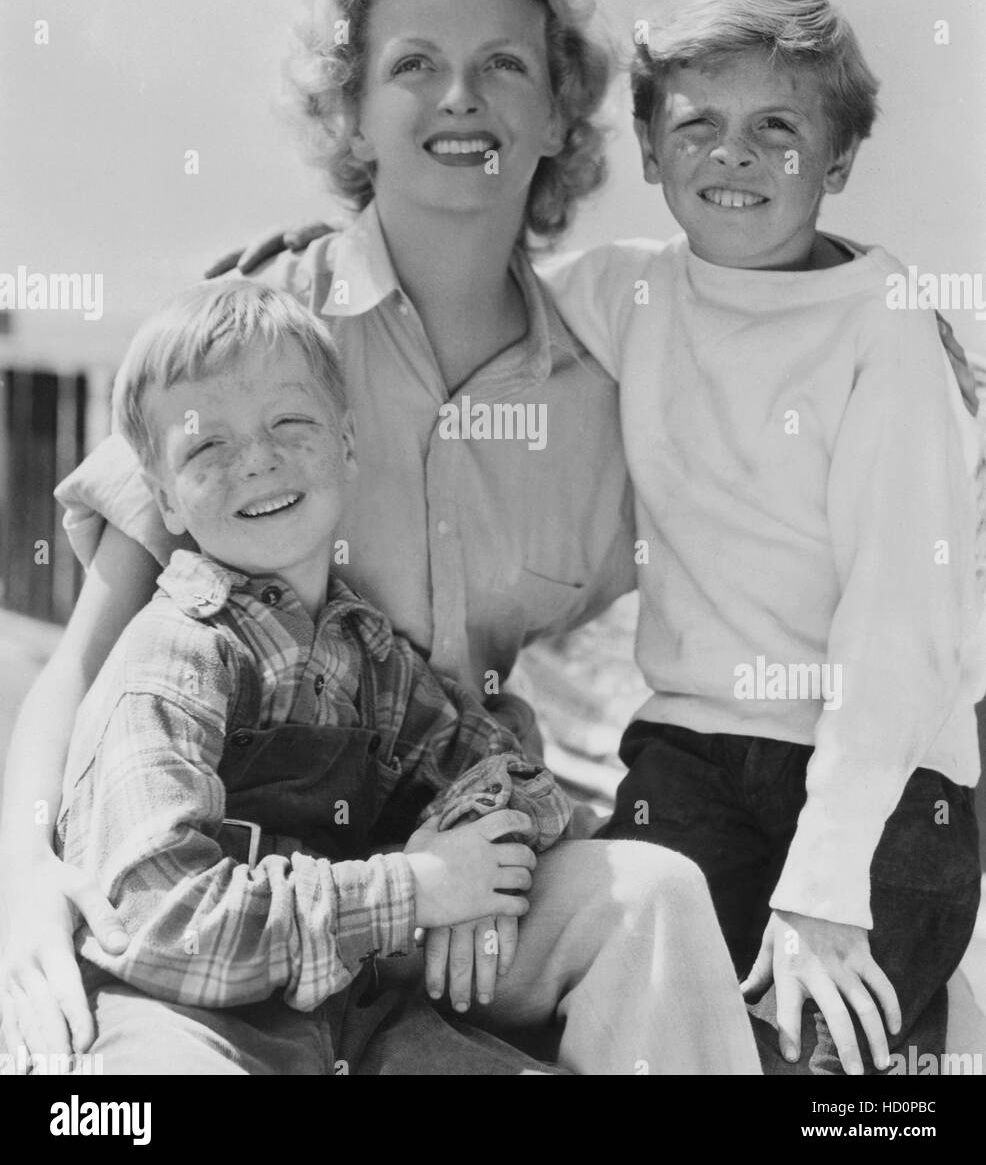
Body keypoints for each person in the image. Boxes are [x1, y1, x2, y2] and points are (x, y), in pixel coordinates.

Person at [0, 0, 638, 1064]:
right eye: (413, 65)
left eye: (502, 64)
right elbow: (81, 666)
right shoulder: (258, 340)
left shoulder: (610, 397)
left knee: (651, 902)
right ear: (353, 112)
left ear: (556, 114)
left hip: (459, 879)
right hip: (230, 888)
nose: (460, 98)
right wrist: (20, 886)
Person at [51, 277, 760, 1075]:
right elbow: (158, 922)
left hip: (363, 1005)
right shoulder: (171, 657)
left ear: (348, 446)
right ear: (163, 499)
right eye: (207, 445)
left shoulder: (368, 655)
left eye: (290, 421)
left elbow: (511, 773)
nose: (259, 460)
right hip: (189, 1016)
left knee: (653, 885)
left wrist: (477, 845)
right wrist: (415, 889)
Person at [540, 0, 985, 1077]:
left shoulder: (880, 331)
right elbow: (461, 295)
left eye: (775, 126)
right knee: (625, 1035)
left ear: (835, 158)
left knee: (813, 1063)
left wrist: (826, 884)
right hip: (688, 754)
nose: (730, 154)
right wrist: (306, 266)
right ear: (647, 150)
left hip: (883, 788)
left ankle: (907, 1062)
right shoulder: (627, 290)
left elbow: (902, 625)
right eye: (694, 125)